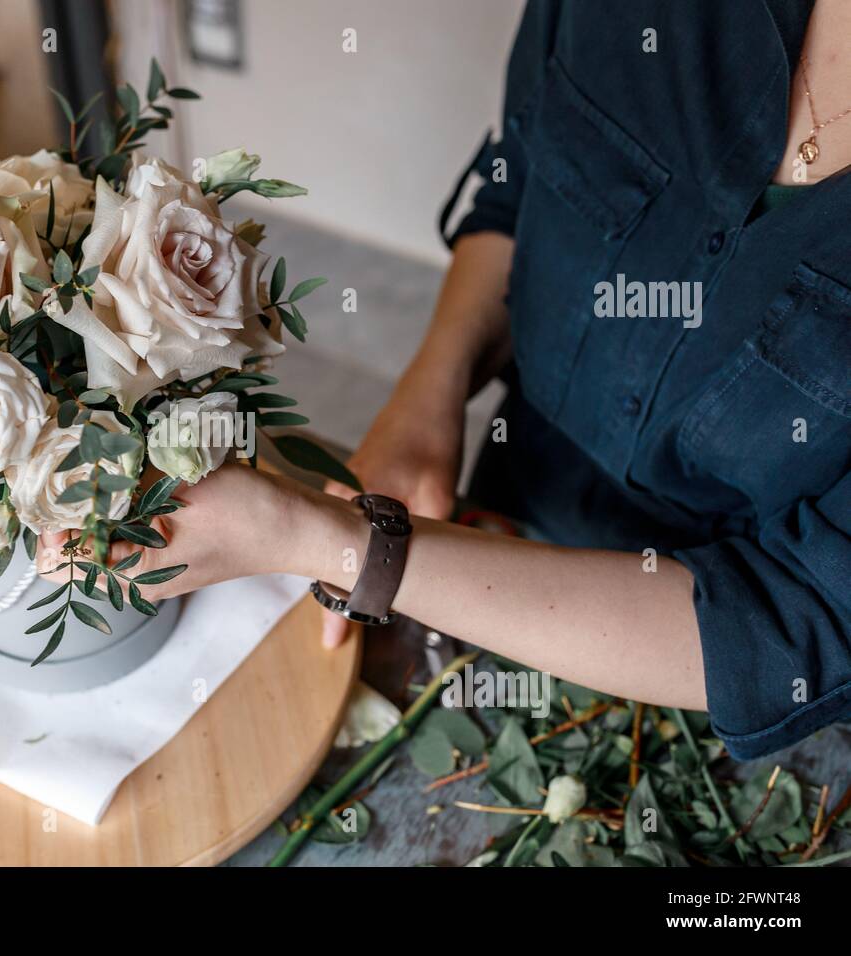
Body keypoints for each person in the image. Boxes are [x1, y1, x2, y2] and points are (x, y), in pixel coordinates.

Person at [48, 0, 851, 760]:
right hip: (502, 498)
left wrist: (326, 543)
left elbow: (798, 619)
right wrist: (429, 391)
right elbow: (524, 183)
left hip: (704, 688)